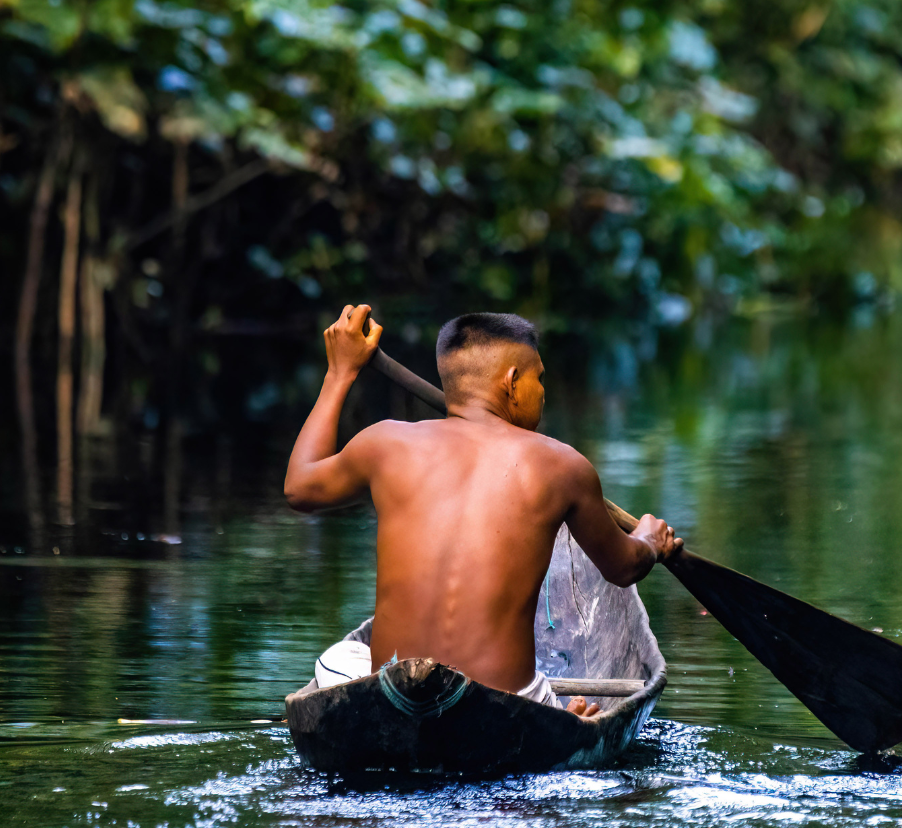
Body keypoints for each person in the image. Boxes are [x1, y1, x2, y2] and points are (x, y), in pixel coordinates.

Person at [283, 305, 682, 719]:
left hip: (392, 695)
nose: (543, 392)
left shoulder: (385, 443)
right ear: (511, 382)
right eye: (539, 378)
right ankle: (560, 718)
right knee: (540, 698)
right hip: (506, 707)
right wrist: (649, 542)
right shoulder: (563, 466)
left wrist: (339, 374)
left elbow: (299, 488)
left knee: (345, 657)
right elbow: (622, 568)